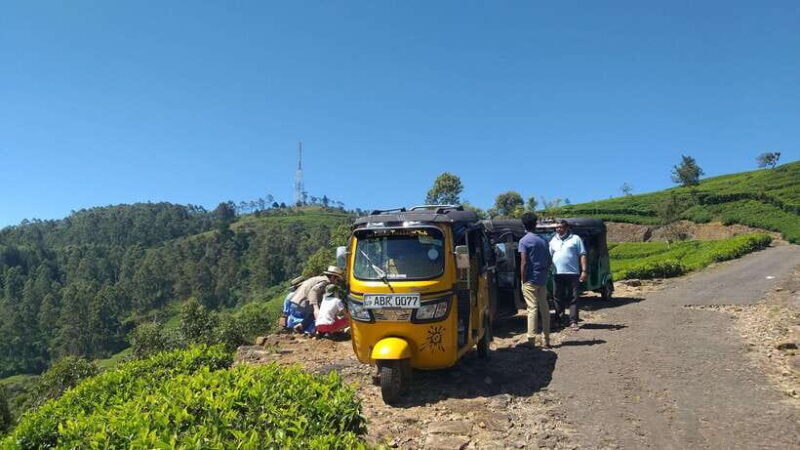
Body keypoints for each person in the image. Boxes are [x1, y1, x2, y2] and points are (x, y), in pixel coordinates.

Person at [518, 212, 552, 348]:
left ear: (523, 224)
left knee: (532, 308)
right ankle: (547, 339)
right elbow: (549, 261)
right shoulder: (543, 240)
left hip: (530, 280)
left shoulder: (524, 241)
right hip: (542, 279)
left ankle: (531, 340)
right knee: (544, 308)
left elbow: (524, 262)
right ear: (536, 224)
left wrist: (523, 279)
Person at [549, 220, 588, 330]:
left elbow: (583, 255)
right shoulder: (553, 240)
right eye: (556, 227)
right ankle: (559, 321)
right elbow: (550, 256)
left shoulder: (575, 239)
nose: (558, 229)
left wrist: (584, 271)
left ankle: (573, 321)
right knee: (557, 297)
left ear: (566, 228)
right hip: (557, 273)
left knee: (573, 298)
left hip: (573, 273)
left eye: (560, 227)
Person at [291, 266, 345, 334]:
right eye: (337, 280)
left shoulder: (319, 278)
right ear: (332, 277)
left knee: (315, 312)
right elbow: (313, 291)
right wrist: (315, 307)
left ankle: (301, 326)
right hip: (302, 303)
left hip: (295, 302)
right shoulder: (326, 282)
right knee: (321, 311)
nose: (337, 283)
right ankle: (321, 331)